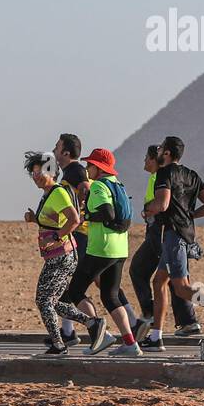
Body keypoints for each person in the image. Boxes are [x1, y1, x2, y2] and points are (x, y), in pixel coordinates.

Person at [143, 135, 204, 348]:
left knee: (182, 288)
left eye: (161, 150)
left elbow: (163, 204)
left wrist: (147, 209)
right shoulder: (192, 175)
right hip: (185, 233)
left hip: (174, 236)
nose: (157, 152)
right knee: (158, 282)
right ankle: (155, 336)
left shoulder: (164, 173)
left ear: (167, 153)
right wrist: (189, 216)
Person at [56, 148, 143, 355]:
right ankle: (131, 343)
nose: (87, 170)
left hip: (101, 248)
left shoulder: (99, 187)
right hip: (120, 248)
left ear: (98, 167)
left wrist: (86, 216)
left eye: (90, 165)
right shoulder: (118, 185)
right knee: (110, 296)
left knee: (75, 291)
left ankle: (99, 334)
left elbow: (107, 213)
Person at [128, 144, 198, 338]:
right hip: (165, 231)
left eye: (147, 157)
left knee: (163, 276)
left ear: (155, 159)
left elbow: (159, 206)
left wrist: (148, 210)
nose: (144, 161)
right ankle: (184, 321)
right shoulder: (161, 177)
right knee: (172, 278)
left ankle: (155, 317)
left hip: (161, 231)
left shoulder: (160, 178)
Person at [23, 151, 85, 354]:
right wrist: (35, 219)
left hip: (63, 256)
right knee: (50, 301)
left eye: (40, 171)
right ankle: (93, 324)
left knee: (44, 301)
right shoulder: (48, 194)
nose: (36, 177)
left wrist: (58, 236)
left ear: (52, 171)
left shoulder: (58, 193)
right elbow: (54, 220)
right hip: (54, 257)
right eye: (33, 173)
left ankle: (59, 344)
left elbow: (74, 220)